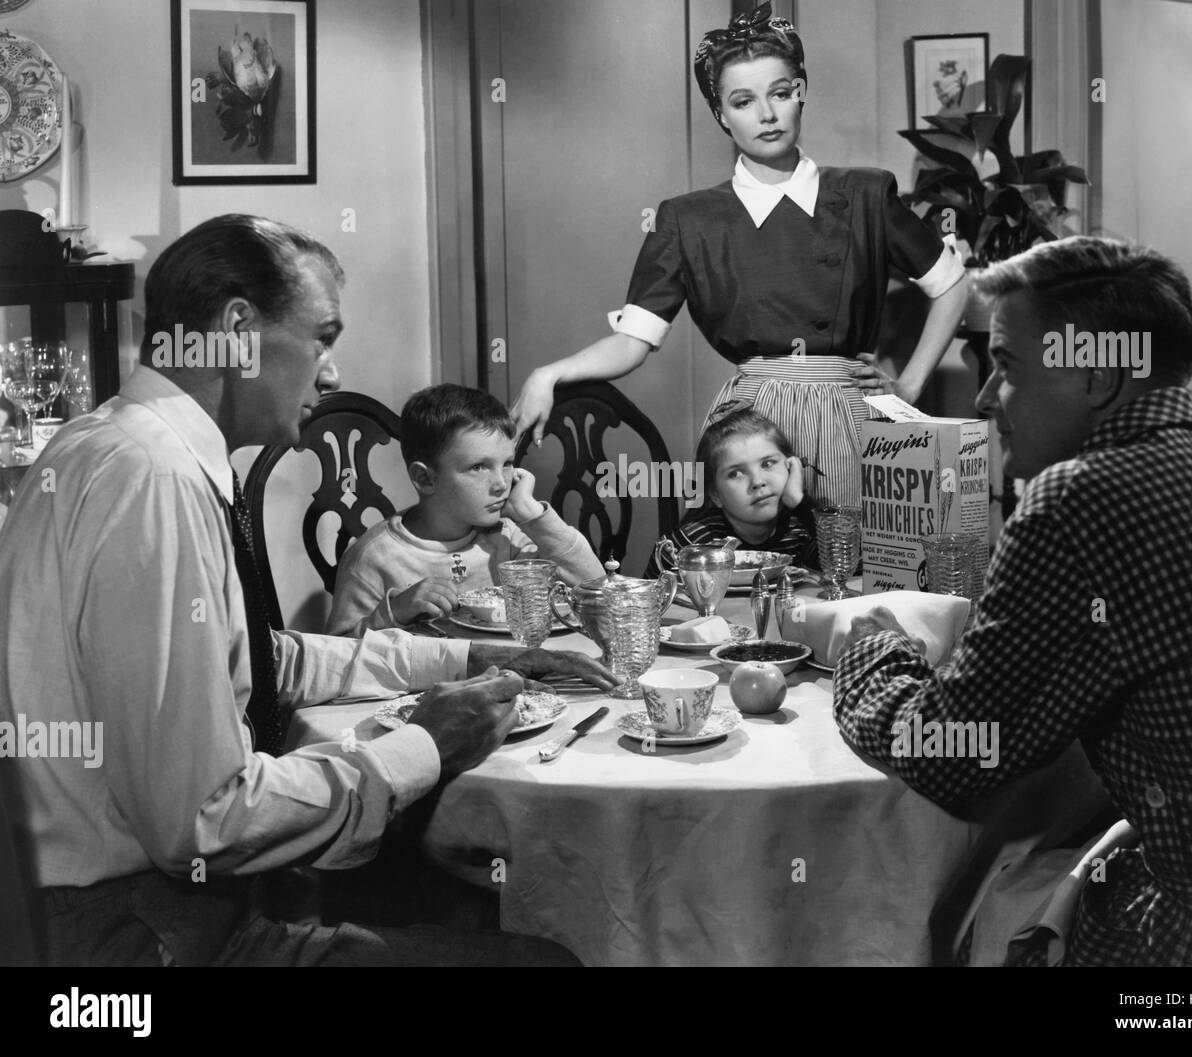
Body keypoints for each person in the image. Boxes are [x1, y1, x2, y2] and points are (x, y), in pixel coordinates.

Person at [0, 214, 617, 967]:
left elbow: (260, 659)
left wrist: (469, 658)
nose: (330, 372)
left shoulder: (111, 445)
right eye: (321, 336)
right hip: (135, 940)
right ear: (236, 329)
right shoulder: (153, 481)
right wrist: (426, 744)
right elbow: (204, 818)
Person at [831, 236, 1192, 966]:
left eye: (1008, 366)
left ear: (1100, 374)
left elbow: (958, 752)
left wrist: (869, 650)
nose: (986, 396)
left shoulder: (1081, 495)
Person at [510, 2, 968, 515]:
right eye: (743, 101)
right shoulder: (688, 219)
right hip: (752, 428)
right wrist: (547, 374)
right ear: (720, 115)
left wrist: (907, 386)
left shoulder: (865, 193)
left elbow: (951, 284)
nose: (766, 115)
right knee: (758, 574)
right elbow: (633, 341)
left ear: (801, 93)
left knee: (855, 574)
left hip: (855, 419)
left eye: (780, 93)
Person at [328, 384, 603, 637]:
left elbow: (596, 589)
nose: (500, 484)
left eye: (507, 463)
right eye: (478, 467)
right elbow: (334, 658)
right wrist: (393, 612)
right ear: (425, 479)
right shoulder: (374, 557)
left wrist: (532, 514)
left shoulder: (508, 538)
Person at [648, 406, 818, 577]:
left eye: (767, 464)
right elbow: (648, 600)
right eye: (735, 474)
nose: (758, 482)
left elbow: (840, 567)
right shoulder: (689, 545)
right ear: (715, 494)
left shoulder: (802, 530)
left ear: (791, 465)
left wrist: (799, 501)